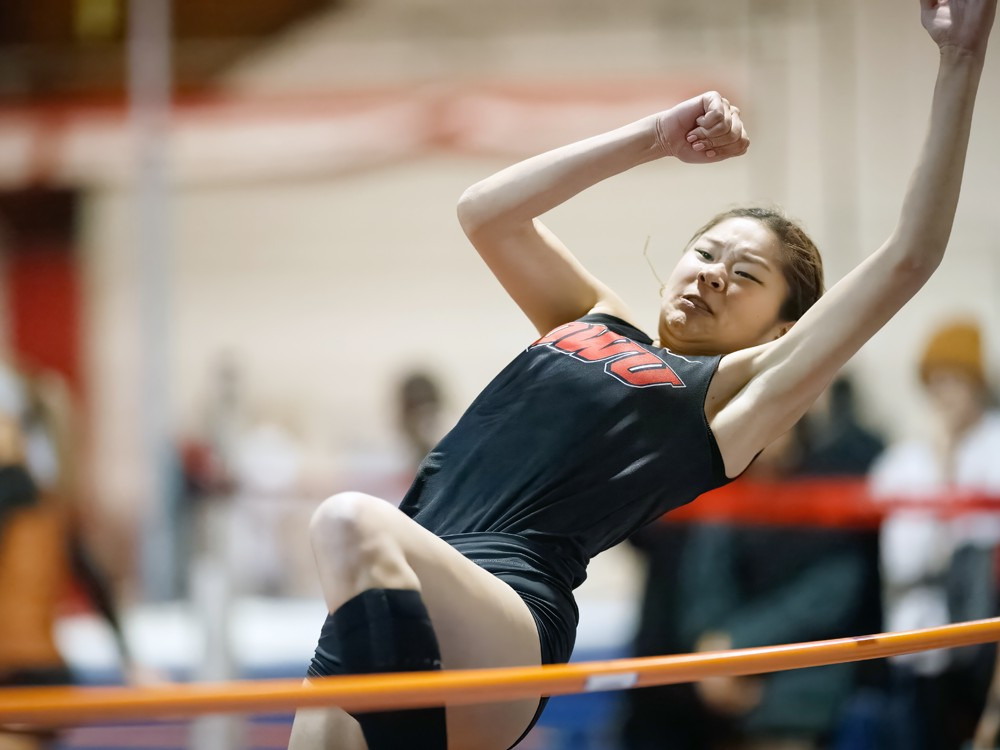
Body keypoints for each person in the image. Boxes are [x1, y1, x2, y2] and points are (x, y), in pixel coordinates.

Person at [288, 2, 996, 748]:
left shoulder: (732, 398)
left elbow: (909, 257)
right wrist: (657, 136)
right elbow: (486, 212)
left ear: (783, 330)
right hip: (400, 589)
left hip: (504, 613)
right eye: (707, 253)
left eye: (745, 274)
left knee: (349, 520)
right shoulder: (591, 316)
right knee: (355, 556)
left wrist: (961, 60)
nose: (714, 275)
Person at [869, 319, 1000, 750]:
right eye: (937, 381)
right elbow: (902, 556)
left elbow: (977, 544)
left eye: (957, 380)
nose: (946, 392)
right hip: (916, 635)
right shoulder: (906, 460)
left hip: (982, 638)